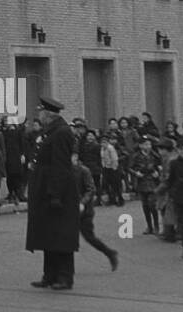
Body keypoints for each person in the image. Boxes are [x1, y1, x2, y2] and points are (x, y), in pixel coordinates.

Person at [25, 97, 80, 290]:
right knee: (48, 234)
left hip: (58, 192)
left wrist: (55, 194)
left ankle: (65, 276)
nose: (38, 115)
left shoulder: (62, 133)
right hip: (44, 189)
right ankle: (49, 274)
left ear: (48, 114)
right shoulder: (48, 132)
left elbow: (61, 166)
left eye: (40, 112)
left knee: (61, 236)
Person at [73, 154, 118, 272]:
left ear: (76, 157)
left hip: (85, 211)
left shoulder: (83, 171)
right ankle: (66, 268)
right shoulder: (65, 170)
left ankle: (109, 253)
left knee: (89, 237)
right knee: (67, 238)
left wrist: (82, 203)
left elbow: (91, 189)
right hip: (70, 210)